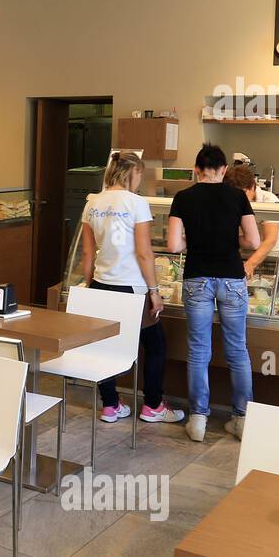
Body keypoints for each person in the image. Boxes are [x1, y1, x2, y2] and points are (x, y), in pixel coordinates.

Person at [79, 151, 185, 425]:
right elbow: (144, 253)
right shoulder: (136, 203)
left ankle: (110, 405)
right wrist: (154, 290)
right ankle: (152, 405)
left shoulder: (92, 203)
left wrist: (89, 283)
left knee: (105, 346)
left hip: (102, 284)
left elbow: (87, 255)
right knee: (155, 344)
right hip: (132, 288)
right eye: (140, 174)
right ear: (132, 173)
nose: (140, 180)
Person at [167, 144, 261, 441]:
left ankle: (197, 420)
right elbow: (254, 241)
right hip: (232, 279)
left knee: (198, 351)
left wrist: (192, 241)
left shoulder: (182, 198)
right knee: (237, 350)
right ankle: (242, 420)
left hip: (197, 279)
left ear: (197, 170)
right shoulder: (237, 197)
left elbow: (173, 246)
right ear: (223, 170)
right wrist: (229, 238)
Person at [224, 165, 279, 279]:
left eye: (242, 193)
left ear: (252, 186)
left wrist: (249, 265)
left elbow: (270, 240)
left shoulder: (269, 200)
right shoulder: (229, 200)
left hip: (273, 258)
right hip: (243, 255)